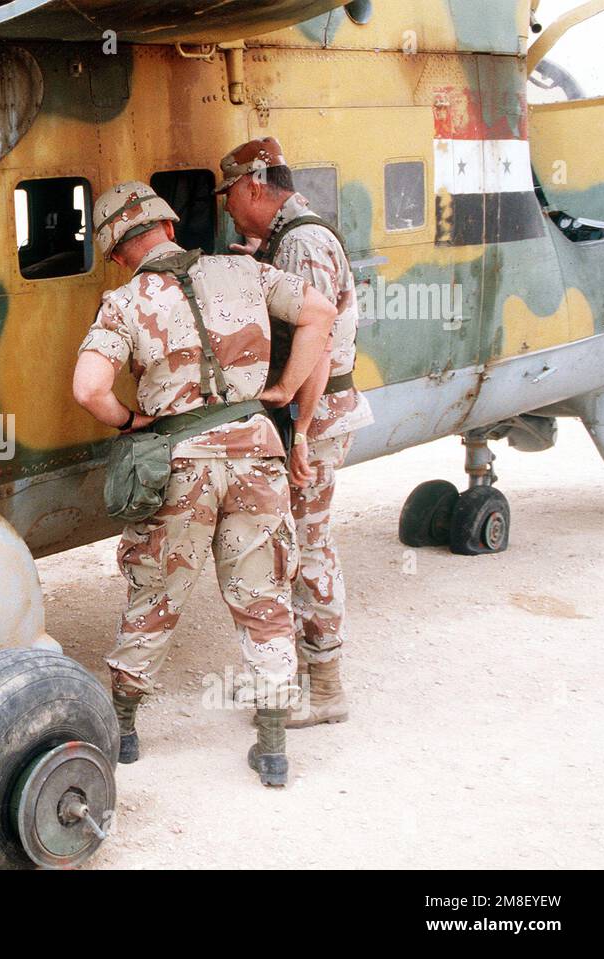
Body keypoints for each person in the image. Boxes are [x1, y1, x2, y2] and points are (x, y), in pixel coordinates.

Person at [72, 181, 337, 785]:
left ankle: (127, 731)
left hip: (179, 465)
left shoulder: (123, 301)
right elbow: (321, 312)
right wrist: (284, 391)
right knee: (264, 598)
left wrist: (132, 420)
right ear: (168, 227)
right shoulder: (245, 272)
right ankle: (272, 749)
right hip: (256, 456)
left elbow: (88, 389)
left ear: (117, 251)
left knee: (156, 596)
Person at [216, 138, 375, 727]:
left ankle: (328, 688)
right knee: (296, 545)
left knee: (309, 549)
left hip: (316, 416)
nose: (228, 207)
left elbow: (319, 342)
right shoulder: (291, 238)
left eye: (230, 194)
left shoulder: (303, 242)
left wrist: (300, 427)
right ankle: (304, 673)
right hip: (313, 415)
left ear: (254, 185)